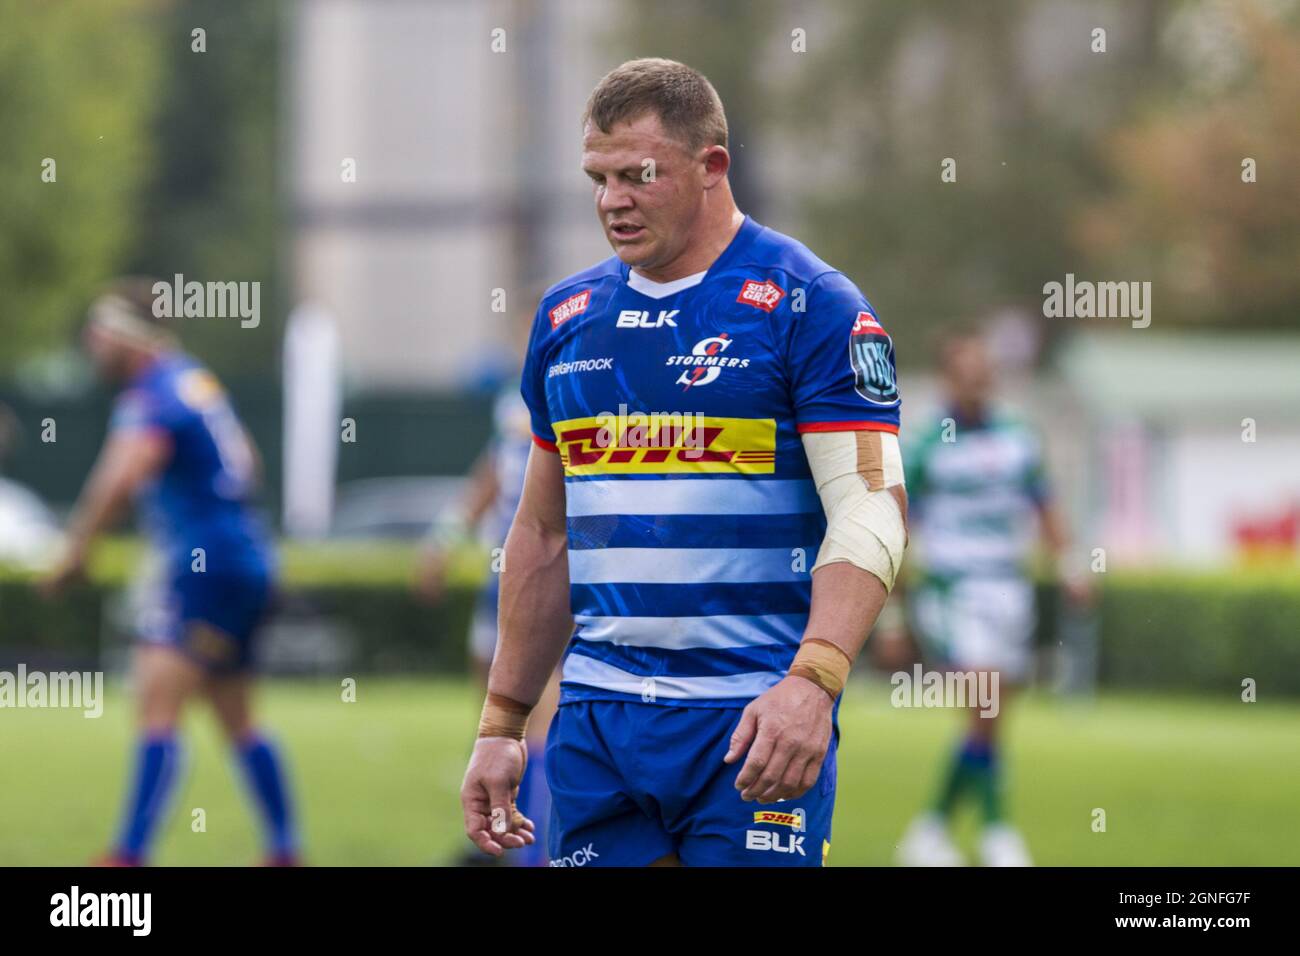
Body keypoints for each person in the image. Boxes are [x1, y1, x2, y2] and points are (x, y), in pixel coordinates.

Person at [458, 58, 908, 866]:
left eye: (638, 175)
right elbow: (542, 534)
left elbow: (872, 507)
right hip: (598, 725)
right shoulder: (567, 318)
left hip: (752, 722)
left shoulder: (812, 304)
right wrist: (501, 722)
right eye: (597, 178)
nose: (612, 202)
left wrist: (815, 681)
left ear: (711, 167)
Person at [42, 278, 299, 867]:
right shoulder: (196, 380)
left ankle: (126, 858)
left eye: (99, 331)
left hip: (202, 567)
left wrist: (77, 549)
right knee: (236, 715)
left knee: (157, 705)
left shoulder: (151, 392)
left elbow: (123, 473)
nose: (90, 342)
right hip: (245, 557)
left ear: (128, 337)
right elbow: (249, 463)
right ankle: (285, 850)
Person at [894, 325, 1089, 867]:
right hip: (955, 589)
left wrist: (1071, 564)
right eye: (968, 371)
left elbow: (1044, 505)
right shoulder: (927, 443)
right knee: (983, 702)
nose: (979, 380)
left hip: (1010, 588)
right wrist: (892, 614)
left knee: (992, 717)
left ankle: (930, 830)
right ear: (948, 377)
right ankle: (999, 832)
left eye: (986, 371)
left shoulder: (1017, 435)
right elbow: (901, 526)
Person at [416, 383, 557, 866]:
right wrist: (444, 539)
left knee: (537, 719)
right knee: (494, 721)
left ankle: (531, 854)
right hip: (502, 576)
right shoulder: (513, 398)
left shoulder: (587, 376)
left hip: (553, 573)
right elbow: (489, 477)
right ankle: (500, 836)